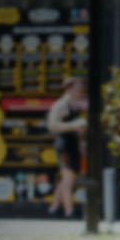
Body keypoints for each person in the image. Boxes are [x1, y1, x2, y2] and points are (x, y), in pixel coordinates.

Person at [46, 76, 88, 218]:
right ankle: (69, 212)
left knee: (66, 179)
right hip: (64, 145)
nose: (80, 91)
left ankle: (53, 209)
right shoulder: (61, 105)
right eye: (78, 88)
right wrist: (74, 125)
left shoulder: (74, 104)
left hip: (73, 145)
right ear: (68, 88)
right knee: (68, 179)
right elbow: (52, 126)